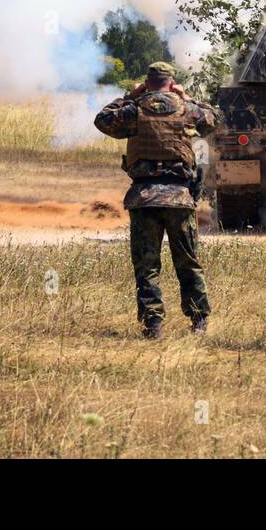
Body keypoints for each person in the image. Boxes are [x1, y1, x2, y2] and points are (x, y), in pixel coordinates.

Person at [93, 61, 220, 339]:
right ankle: (198, 322)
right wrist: (187, 97)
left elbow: (102, 120)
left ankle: (153, 324)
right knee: (187, 262)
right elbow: (213, 120)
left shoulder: (133, 110)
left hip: (144, 199)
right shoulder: (185, 109)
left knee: (147, 266)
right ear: (171, 82)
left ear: (147, 83)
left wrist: (131, 96)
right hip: (179, 198)